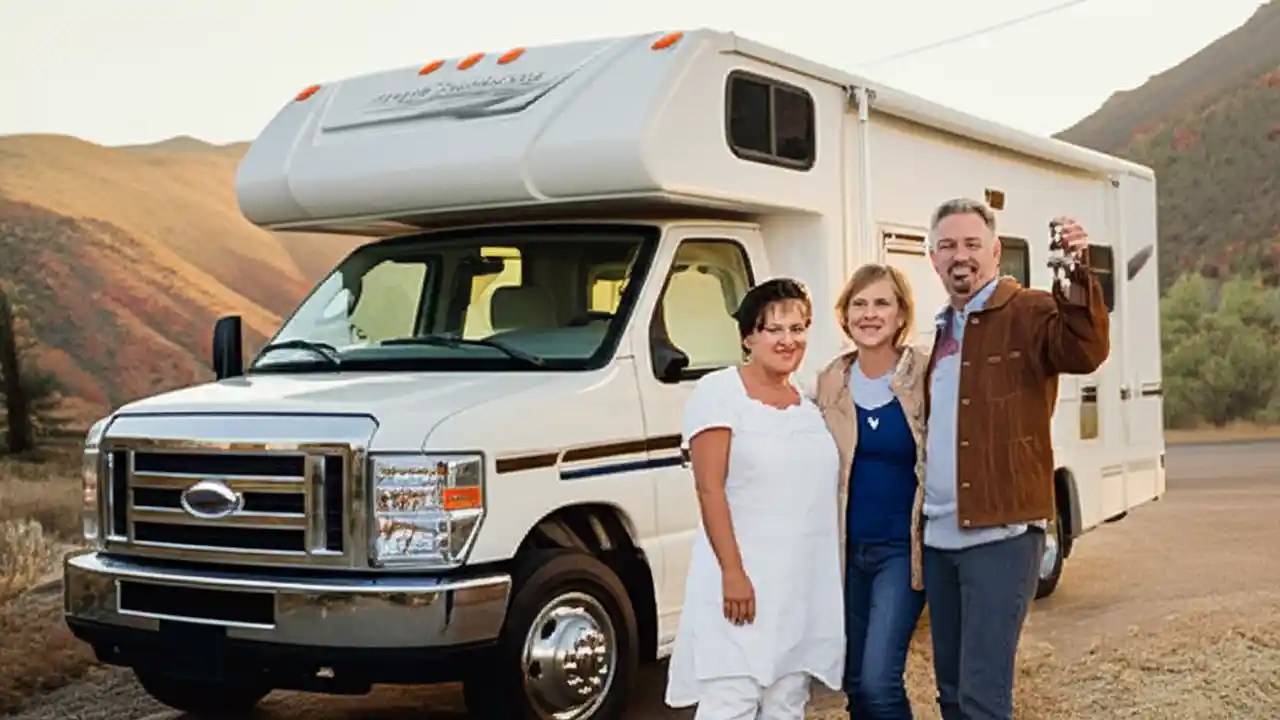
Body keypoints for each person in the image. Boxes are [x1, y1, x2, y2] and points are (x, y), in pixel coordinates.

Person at [919, 198, 1110, 720]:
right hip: (939, 538)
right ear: (932, 257)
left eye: (972, 244)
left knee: (983, 696)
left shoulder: (1027, 309)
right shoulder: (940, 331)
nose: (961, 256)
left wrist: (1075, 268)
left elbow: (1085, 349)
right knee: (952, 692)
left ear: (995, 251)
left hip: (1000, 537)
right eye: (949, 245)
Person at [665, 278, 845, 720]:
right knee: (732, 700)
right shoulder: (720, 392)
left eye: (798, 328)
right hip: (740, 583)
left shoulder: (807, 403)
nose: (789, 340)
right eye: (775, 329)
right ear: (749, 336)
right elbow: (709, 488)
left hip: (798, 588)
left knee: (786, 703)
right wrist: (733, 572)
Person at [813, 264, 931, 720]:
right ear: (845, 315)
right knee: (857, 686)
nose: (869, 313)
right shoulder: (831, 380)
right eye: (858, 304)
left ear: (901, 313)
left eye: (882, 302)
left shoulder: (923, 373)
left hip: (901, 553)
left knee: (881, 682)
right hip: (845, 554)